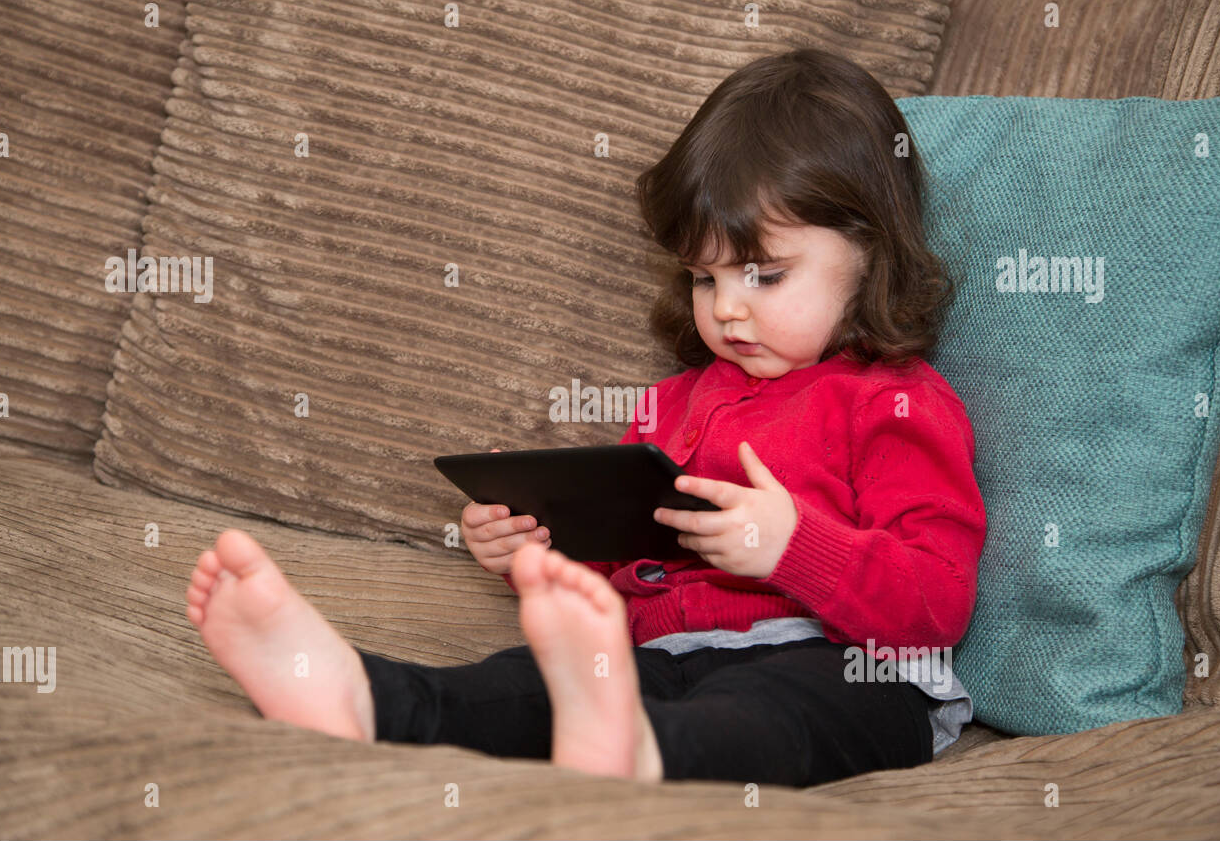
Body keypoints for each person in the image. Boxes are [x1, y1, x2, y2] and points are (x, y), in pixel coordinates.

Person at [184, 47, 986, 788]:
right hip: (660, 653)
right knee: (521, 680)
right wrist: (538, 544)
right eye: (705, 280)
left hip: (840, 667)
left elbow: (937, 598)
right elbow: (626, 566)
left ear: (871, 252)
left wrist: (791, 546)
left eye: (764, 275)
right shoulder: (670, 406)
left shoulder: (895, 400)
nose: (728, 310)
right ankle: (367, 697)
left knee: (767, 718)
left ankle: (646, 756)